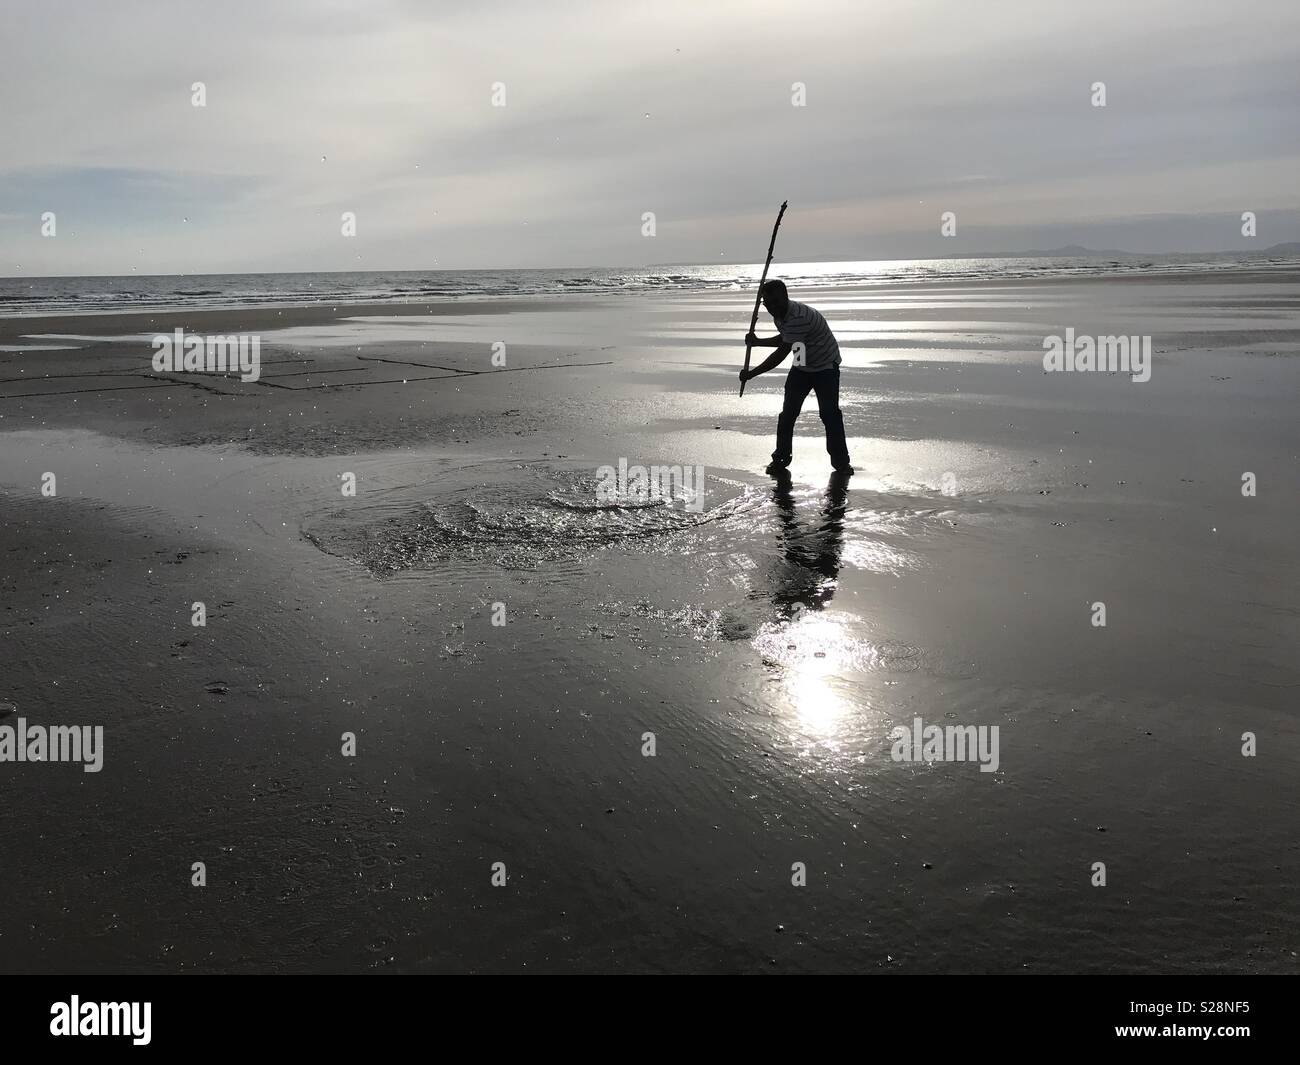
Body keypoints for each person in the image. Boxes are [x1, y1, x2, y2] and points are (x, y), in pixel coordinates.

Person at [739, 279, 852, 474]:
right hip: (802, 360)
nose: (773, 307)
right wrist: (758, 342)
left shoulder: (799, 317)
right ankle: (781, 458)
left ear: (786, 297)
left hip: (826, 364)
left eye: (776, 301)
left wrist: (751, 374)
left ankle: (841, 463)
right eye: (768, 303)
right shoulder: (780, 316)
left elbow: (781, 354)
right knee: (788, 414)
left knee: (829, 414)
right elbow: (787, 338)